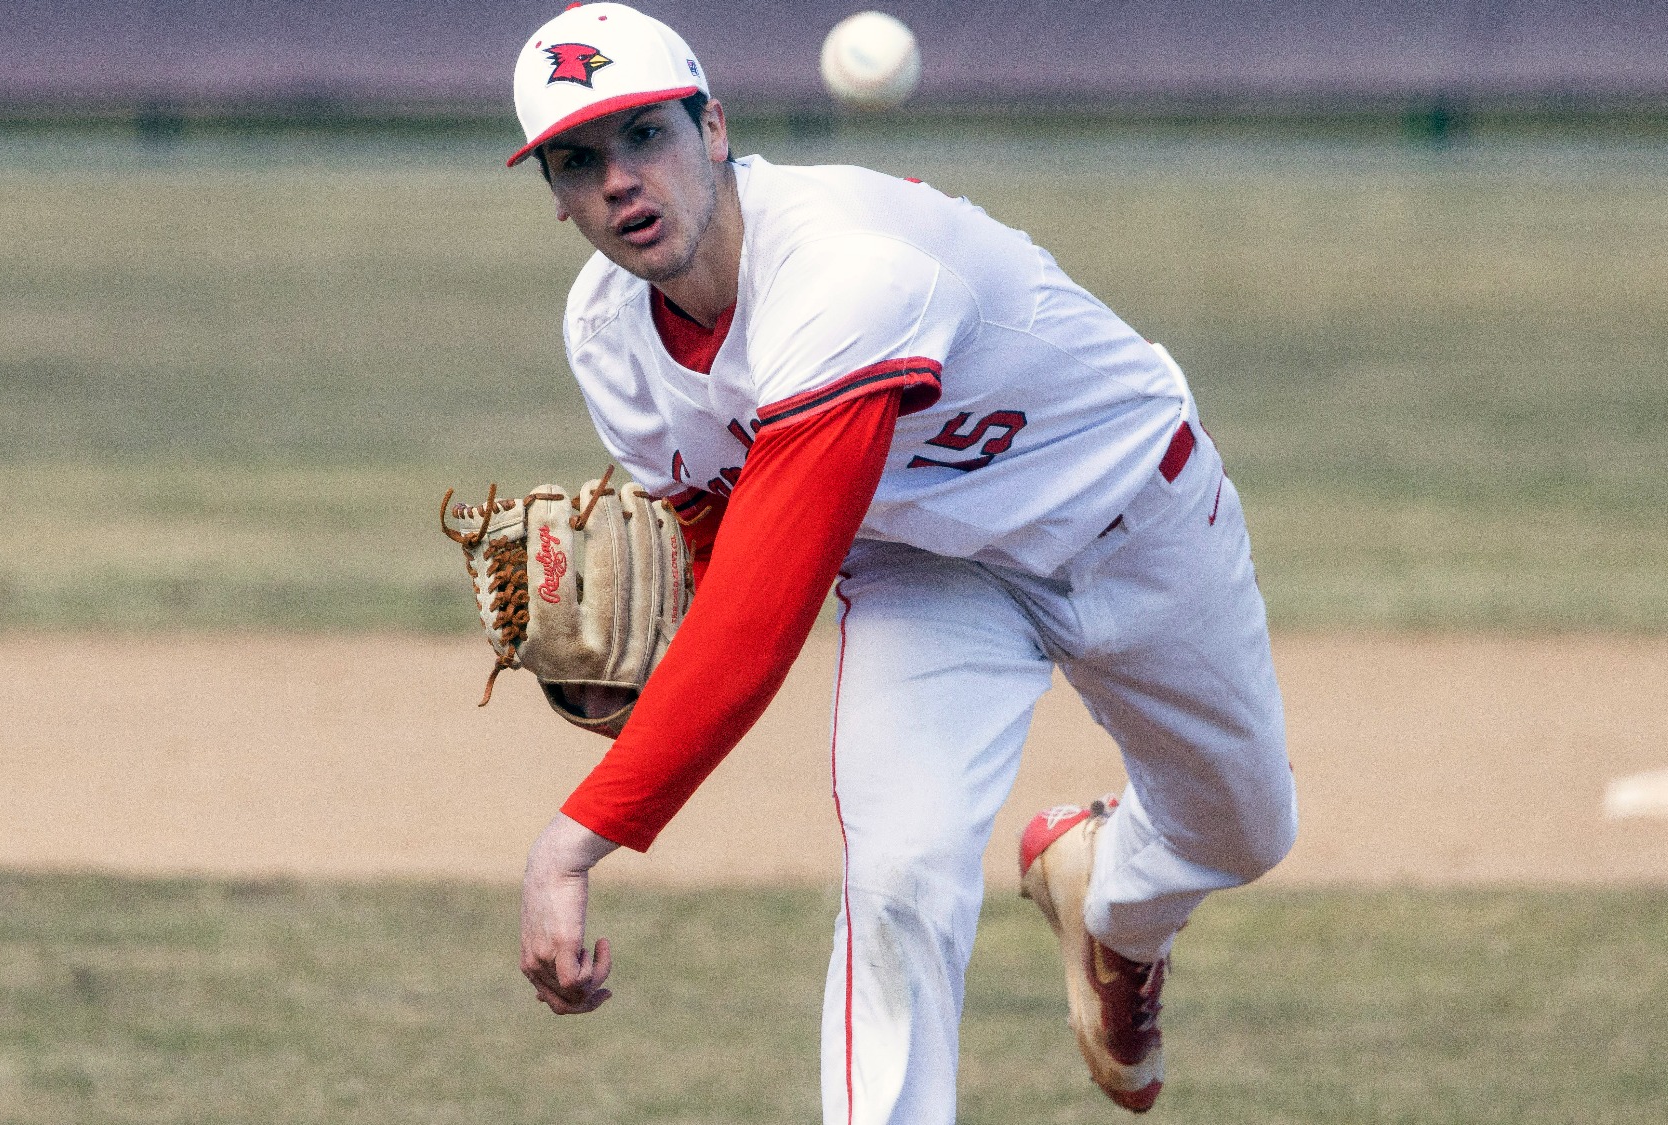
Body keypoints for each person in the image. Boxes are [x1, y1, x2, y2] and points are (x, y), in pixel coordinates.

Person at [506, 4, 1298, 1120]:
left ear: (713, 130)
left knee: (1244, 830)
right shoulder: (606, 339)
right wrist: (630, 690)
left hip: (1132, 515)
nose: (620, 181)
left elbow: (762, 611)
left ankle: (1112, 899)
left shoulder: (844, 268)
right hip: (926, 570)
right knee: (899, 876)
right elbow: (716, 555)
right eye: (579, 161)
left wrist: (571, 843)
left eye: (645, 136)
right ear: (556, 196)